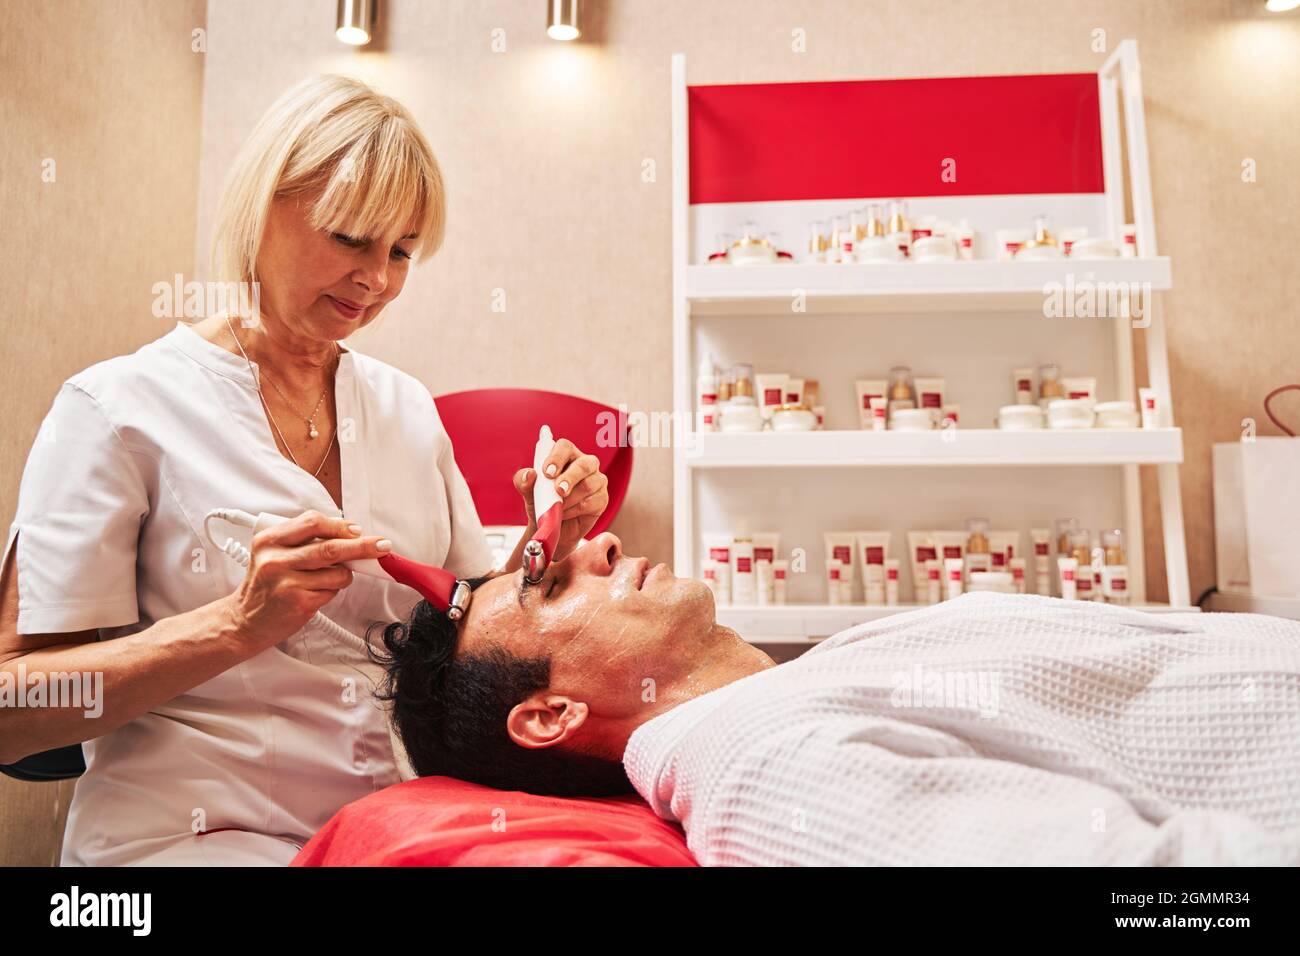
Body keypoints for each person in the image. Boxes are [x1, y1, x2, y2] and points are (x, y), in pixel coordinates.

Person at [0, 74, 609, 866]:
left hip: (386, 828)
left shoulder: (405, 408)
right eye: (350, 239)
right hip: (187, 840)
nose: (378, 280)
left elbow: (460, 637)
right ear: (261, 210)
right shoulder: (117, 409)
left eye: (401, 252)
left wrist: (548, 544)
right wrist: (235, 625)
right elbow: (14, 711)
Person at [374, 531, 1300, 866]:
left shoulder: (805, 681)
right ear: (548, 716)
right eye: (552, 586)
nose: (602, 543)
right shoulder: (764, 775)